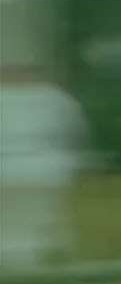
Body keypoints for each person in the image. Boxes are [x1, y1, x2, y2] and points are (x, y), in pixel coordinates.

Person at [0, 59, 88, 270]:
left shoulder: (53, 98)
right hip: (41, 170)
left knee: (21, 225)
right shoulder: (55, 98)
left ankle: (22, 266)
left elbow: (73, 134)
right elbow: (75, 135)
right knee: (27, 224)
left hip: (33, 171)